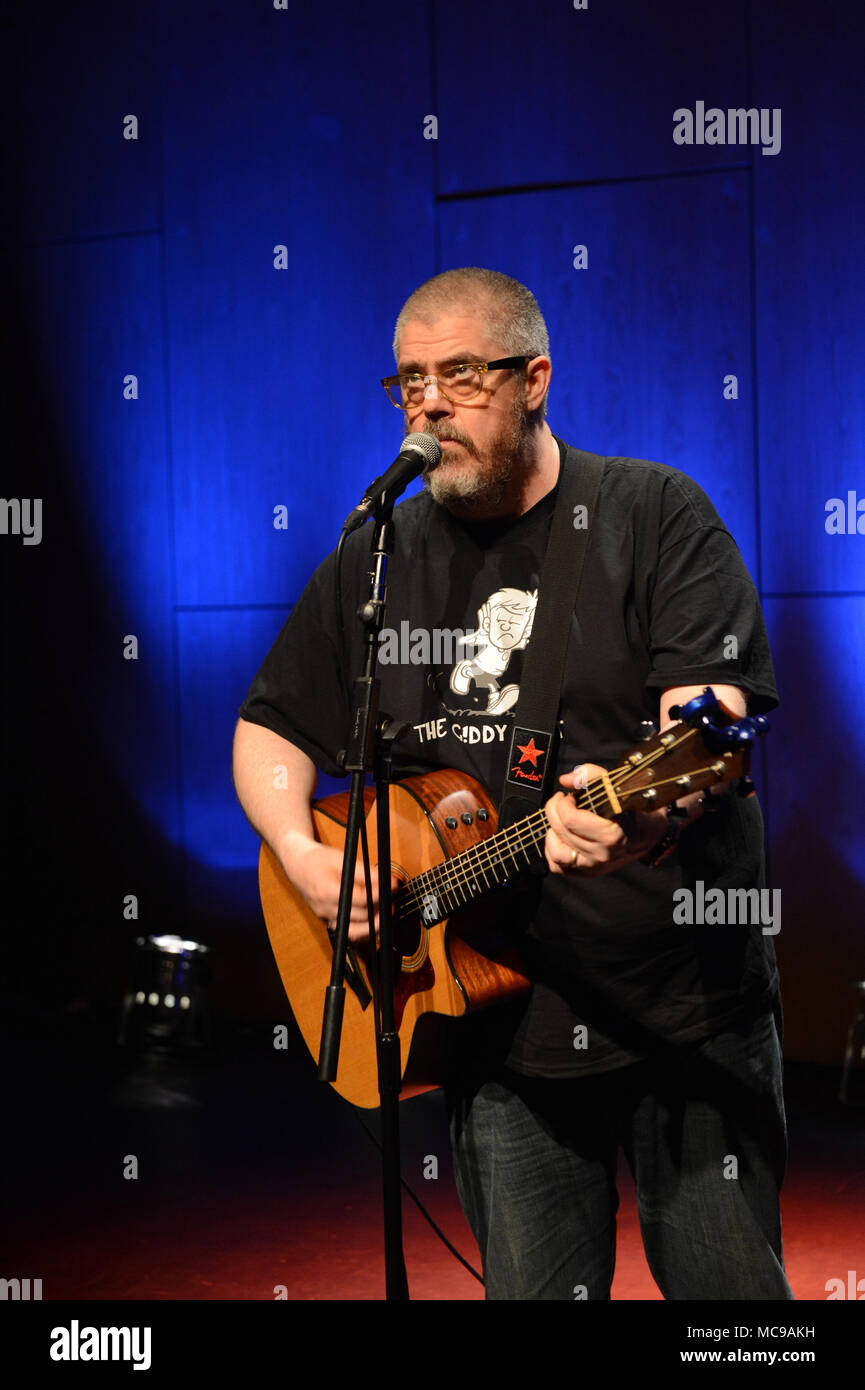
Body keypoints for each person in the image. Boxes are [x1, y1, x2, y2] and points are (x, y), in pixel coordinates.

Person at [232, 267, 793, 1300]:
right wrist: (305, 855)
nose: (429, 405)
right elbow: (269, 726)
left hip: (682, 1011)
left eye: (460, 376)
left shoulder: (650, 512)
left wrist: (644, 821)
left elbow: (706, 721)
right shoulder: (379, 554)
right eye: (410, 382)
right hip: (494, 1029)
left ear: (533, 380)